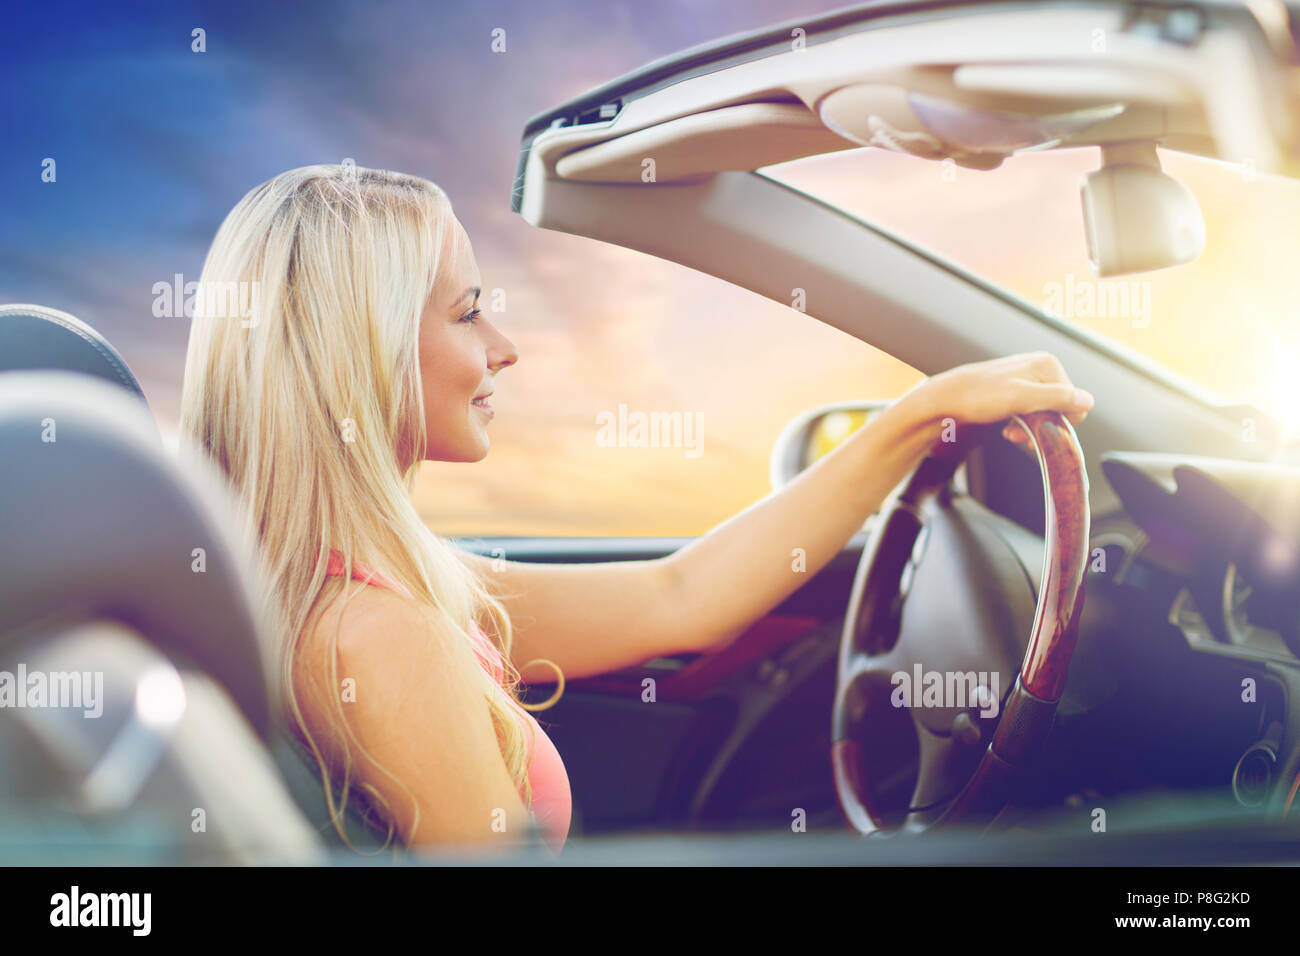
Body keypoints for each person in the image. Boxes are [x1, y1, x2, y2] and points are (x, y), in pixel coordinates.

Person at [178, 164, 1093, 857]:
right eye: (466, 314)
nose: (505, 348)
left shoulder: (360, 590)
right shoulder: (378, 638)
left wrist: (918, 415)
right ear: (363, 356)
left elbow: (679, 595)